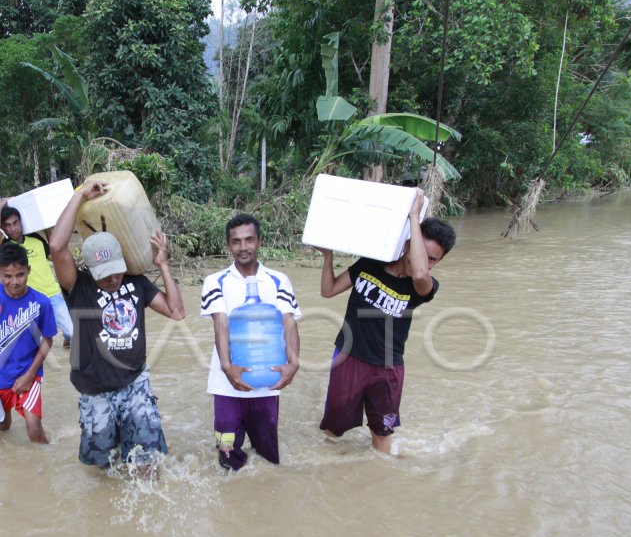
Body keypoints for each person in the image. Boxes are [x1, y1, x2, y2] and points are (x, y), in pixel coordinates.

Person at [49, 180, 186, 475]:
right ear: (89, 270)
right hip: (94, 389)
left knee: (148, 460)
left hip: (134, 382)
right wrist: (80, 196)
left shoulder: (136, 282)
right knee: (104, 466)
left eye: (115, 272)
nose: (111, 280)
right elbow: (57, 246)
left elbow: (176, 312)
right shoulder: (78, 286)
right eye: (103, 276)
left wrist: (162, 264)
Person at [318, 189, 456, 454]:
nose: (425, 263)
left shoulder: (424, 286)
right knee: (334, 428)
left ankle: (381, 478)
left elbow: (418, 273)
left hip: (388, 368)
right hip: (349, 357)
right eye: (422, 253)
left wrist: (414, 217)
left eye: (433, 260)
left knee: (383, 429)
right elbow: (328, 290)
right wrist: (328, 256)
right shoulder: (370, 264)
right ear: (407, 245)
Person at [200, 214, 301, 471]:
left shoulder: (278, 280)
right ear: (228, 246)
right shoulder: (216, 282)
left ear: (259, 242)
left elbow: (288, 323)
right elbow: (220, 323)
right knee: (227, 453)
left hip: (268, 381)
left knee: (267, 457)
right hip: (226, 385)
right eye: (236, 241)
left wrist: (293, 364)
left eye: (249, 240)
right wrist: (227, 367)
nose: (243, 247)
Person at [0, 242, 58, 444]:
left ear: (28, 270)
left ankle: (46, 465)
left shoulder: (41, 302)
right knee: (2, 427)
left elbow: (47, 340)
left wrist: (30, 375)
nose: (15, 281)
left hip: (27, 373)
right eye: (8, 276)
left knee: (34, 431)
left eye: (20, 274)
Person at [0, 200, 73, 347]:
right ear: (4, 228)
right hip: (27, 300)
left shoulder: (36, 239)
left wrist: (47, 228)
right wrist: (1, 204)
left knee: (73, 334)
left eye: (15, 223)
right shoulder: (5, 246)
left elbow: (55, 256)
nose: (13, 228)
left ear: (21, 223)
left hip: (52, 293)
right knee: (30, 345)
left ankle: (67, 339)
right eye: (7, 226)